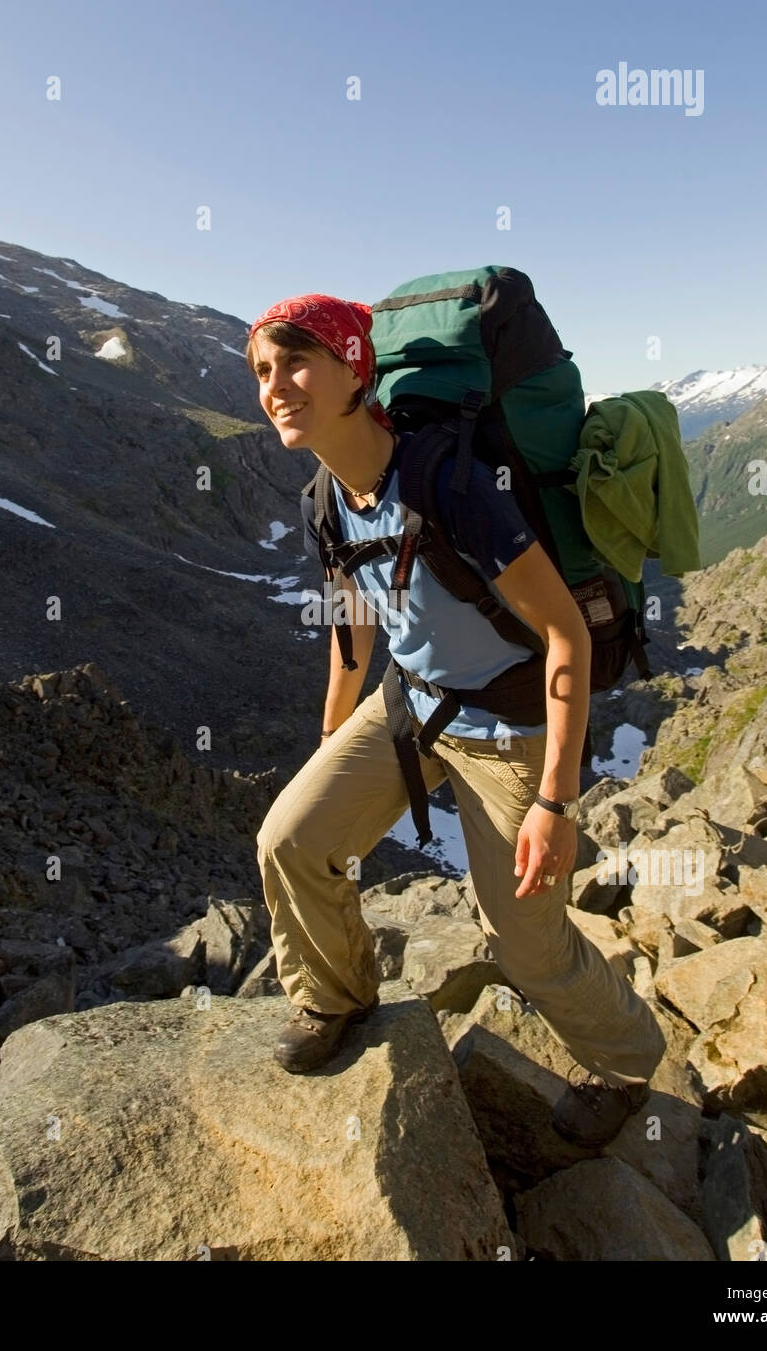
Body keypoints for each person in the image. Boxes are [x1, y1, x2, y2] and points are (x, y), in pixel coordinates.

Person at [245, 292, 666, 1149]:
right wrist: (331, 750)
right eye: (261, 371)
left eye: (296, 362)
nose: (276, 386)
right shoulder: (324, 500)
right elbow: (351, 640)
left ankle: (630, 1062)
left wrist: (555, 803)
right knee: (288, 838)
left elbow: (562, 634)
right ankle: (336, 997)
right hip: (411, 708)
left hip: (513, 728)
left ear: (354, 369)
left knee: (527, 944)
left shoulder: (448, 484)